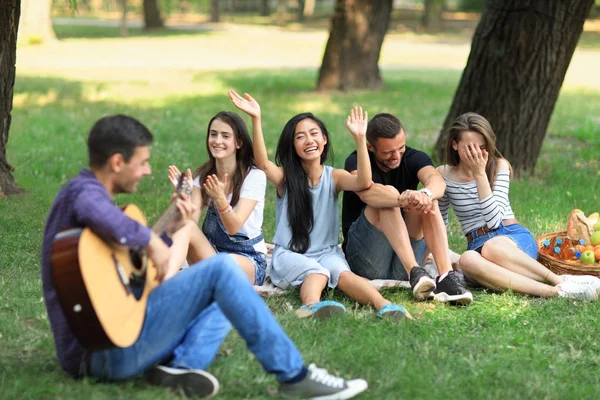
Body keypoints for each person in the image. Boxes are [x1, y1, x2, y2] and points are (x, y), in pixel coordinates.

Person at [41, 114, 369, 399]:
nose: (147, 170)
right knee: (223, 270)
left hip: (118, 336)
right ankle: (296, 377)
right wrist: (152, 245)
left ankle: (182, 367)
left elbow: (127, 255)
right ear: (116, 163)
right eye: (142, 162)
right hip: (104, 352)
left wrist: (173, 217)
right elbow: (105, 217)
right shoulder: (83, 193)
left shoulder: (91, 198)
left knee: (228, 291)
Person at [229, 90, 408, 321]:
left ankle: (385, 306)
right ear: (293, 146)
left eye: (314, 133)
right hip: (291, 255)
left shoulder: (333, 177)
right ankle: (312, 306)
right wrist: (256, 118)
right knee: (318, 272)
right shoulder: (286, 178)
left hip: (327, 252)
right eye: (300, 137)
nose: (309, 140)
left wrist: (360, 139)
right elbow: (263, 163)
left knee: (343, 273)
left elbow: (364, 181)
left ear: (324, 139)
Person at [437, 112, 599, 301]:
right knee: (467, 259)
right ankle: (556, 291)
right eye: (470, 148)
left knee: (492, 247)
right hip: (478, 247)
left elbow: (494, 221)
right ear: (454, 144)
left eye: (481, 148)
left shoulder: (499, 166)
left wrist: (480, 174)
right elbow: (438, 223)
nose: (476, 155)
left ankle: (558, 280)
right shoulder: (443, 174)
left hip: (512, 238)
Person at [342, 113, 473, 305]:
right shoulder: (356, 161)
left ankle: (445, 277)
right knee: (386, 197)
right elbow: (367, 194)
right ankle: (414, 272)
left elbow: (436, 181)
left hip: (401, 260)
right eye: (388, 152)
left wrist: (424, 195)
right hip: (366, 259)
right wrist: (400, 199)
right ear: (370, 147)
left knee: (429, 202)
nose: (396, 156)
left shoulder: (414, 157)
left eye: (400, 148)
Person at [167, 111, 267, 285]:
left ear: (238, 142)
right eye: (213, 134)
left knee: (222, 264)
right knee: (187, 228)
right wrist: (184, 195)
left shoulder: (254, 176)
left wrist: (220, 199)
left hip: (248, 259)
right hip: (211, 253)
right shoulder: (203, 176)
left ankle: (180, 280)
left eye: (225, 136)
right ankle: (163, 282)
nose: (217, 141)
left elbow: (234, 227)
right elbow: (190, 223)